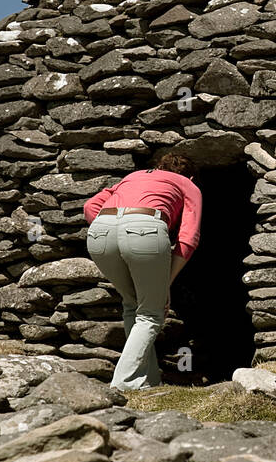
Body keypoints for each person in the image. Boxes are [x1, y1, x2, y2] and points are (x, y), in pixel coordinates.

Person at [83, 153, 202, 390]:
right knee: (151, 312)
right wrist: (165, 282)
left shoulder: (131, 177)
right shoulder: (188, 184)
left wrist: (113, 227)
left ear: (158, 166)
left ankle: (148, 380)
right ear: (189, 176)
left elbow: (89, 206)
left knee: (132, 304)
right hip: (145, 228)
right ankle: (125, 384)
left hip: (99, 230)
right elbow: (189, 237)